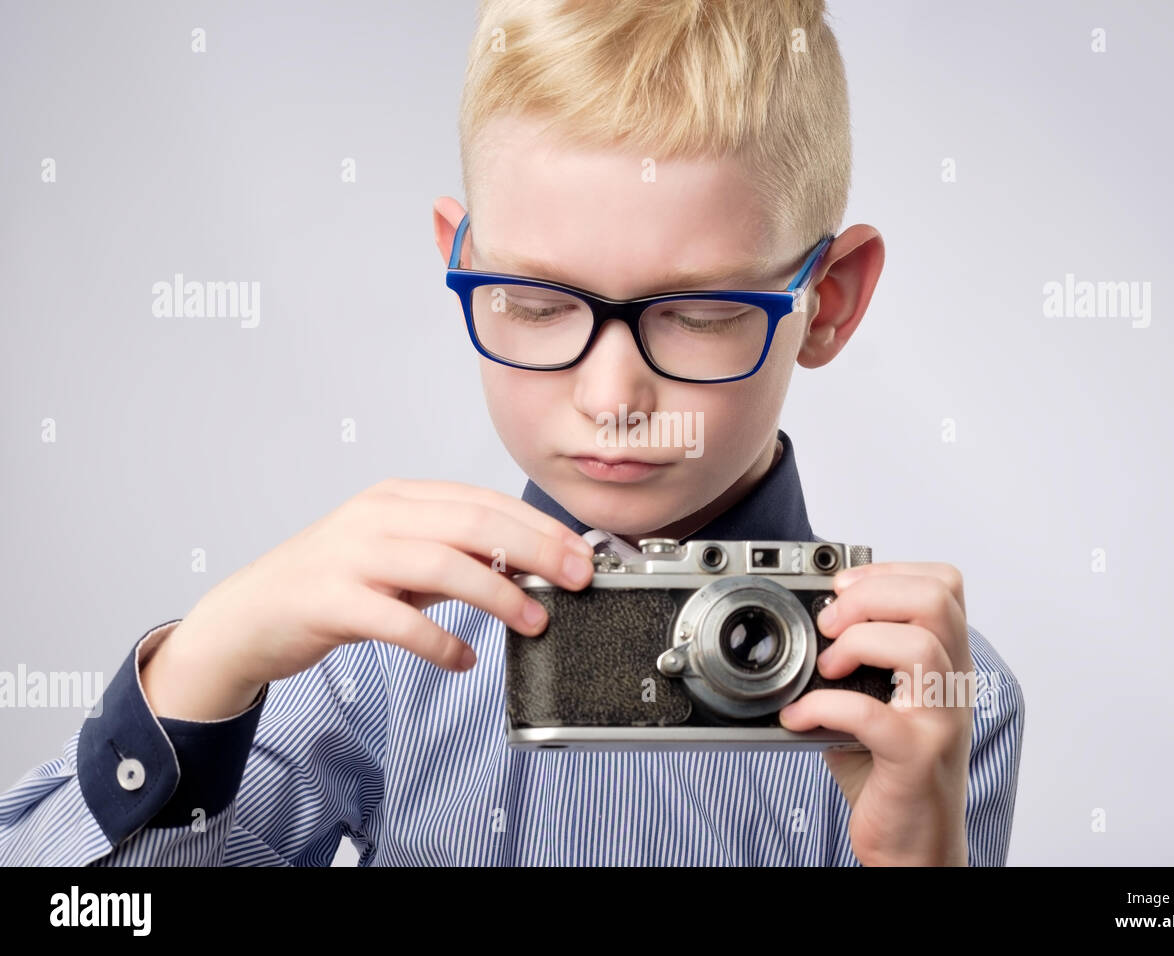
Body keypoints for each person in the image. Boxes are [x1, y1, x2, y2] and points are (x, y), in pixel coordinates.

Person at [0, 0, 1023, 866]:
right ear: (461, 265)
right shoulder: (386, 647)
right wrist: (202, 668)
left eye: (702, 313)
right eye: (536, 304)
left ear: (830, 301)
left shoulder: (921, 686)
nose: (614, 395)